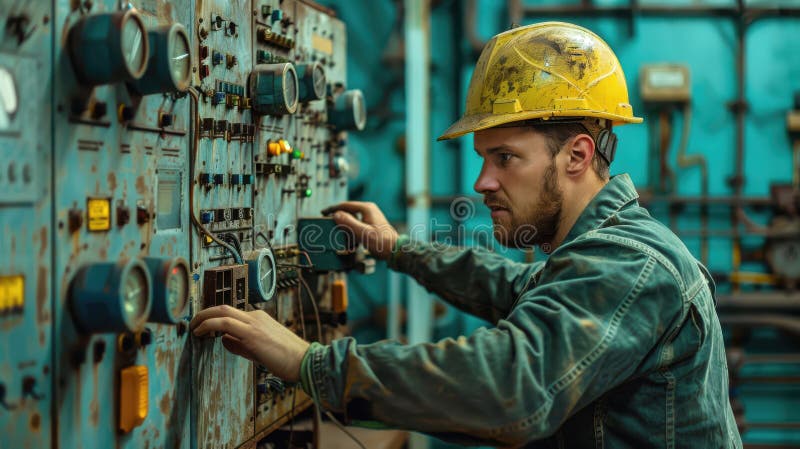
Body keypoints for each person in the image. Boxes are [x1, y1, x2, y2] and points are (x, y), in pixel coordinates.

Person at [191, 22, 742, 447]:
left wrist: (308, 362)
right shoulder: (602, 252)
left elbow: (510, 389)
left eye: (505, 158)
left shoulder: (629, 264)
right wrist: (397, 248)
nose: (482, 182)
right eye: (483, 159)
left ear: (577, 156)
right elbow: (510, 286)